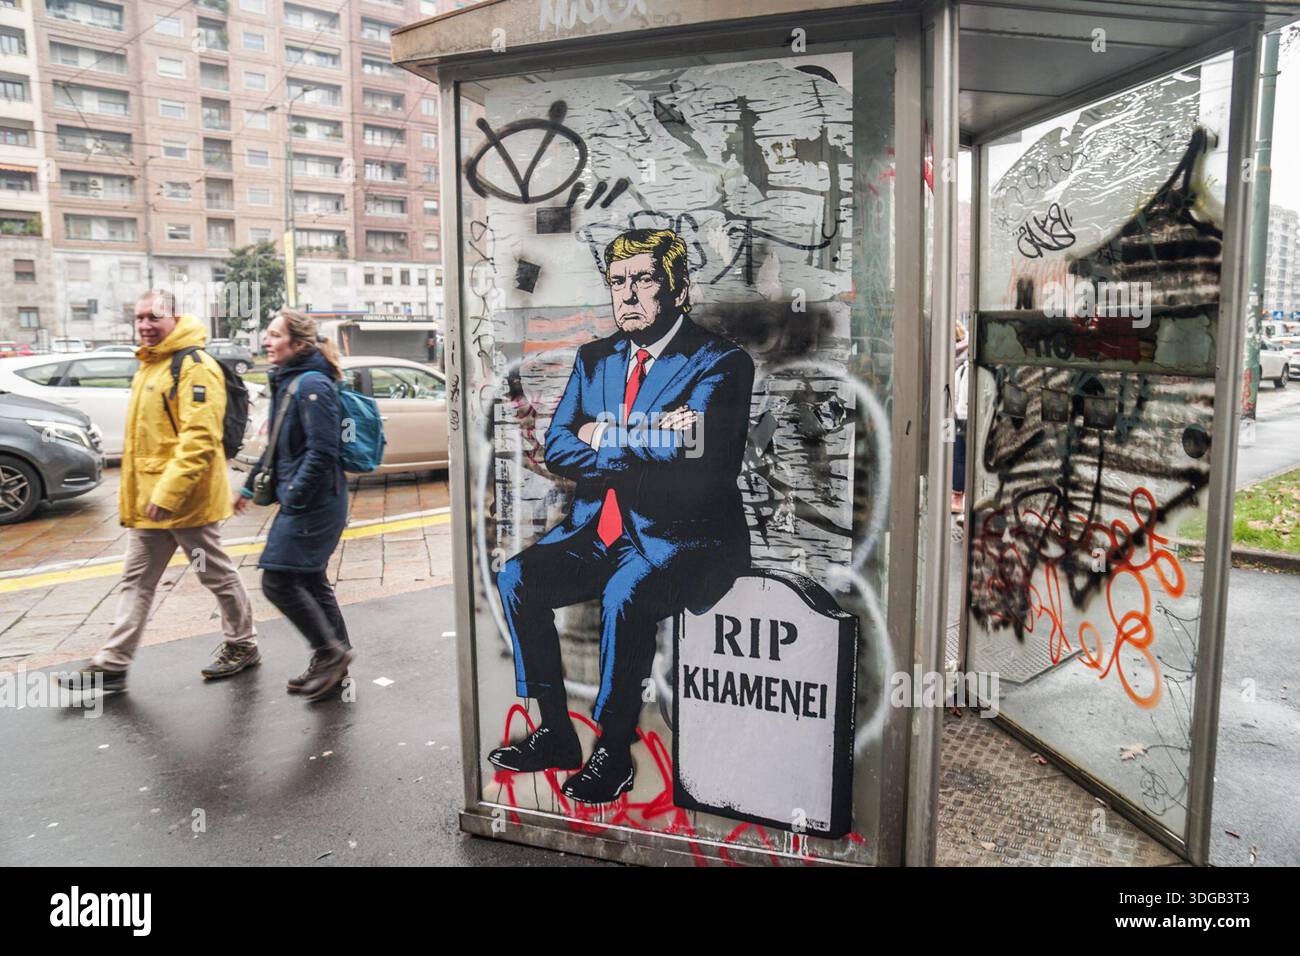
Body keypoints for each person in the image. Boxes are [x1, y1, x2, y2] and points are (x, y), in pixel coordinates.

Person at [488, 228, 755, 804]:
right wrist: (638, 435)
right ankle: (557, 732)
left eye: (644, 281)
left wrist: (601, 433)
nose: (628, 295)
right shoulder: (596, 358)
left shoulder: (721, 362)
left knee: (623, 593)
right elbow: (558, 446)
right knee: (517, 579)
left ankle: (613, 749)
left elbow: (695, 454)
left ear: (678, 288)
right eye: (618, 283)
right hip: (599, 529)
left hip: (685, 539)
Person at [60, 290, 258, 693]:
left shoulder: (194, 366)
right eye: (139, 318)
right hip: (149, 506)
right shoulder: (150, 365)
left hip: (188, 504)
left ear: (175, 317)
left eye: (154, 317)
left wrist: (167, 495)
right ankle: (113, 664)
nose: (146, 326)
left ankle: (243, 643)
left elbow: (200, 439)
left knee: (215, 575)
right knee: (136, 582)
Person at [235, 310, 352, 701]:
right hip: (308, 499)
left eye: (274, 336)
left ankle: (330, 652)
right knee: (310, 579)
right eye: (267, 335)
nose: (267, 342)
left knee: (278, 580)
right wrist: (250, 488)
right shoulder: (290, 381)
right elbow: (276, 448)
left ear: (298, 344)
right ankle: (334, 661)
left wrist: (295, 495)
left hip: (315, 504)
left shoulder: (312, 384)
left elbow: (323, 451)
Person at [952, 320, 970, 517]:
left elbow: (957, 395)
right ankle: (958, 494)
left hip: (961, 417)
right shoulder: (964, 364)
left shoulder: (962, 366)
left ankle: (957, 493)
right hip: (964, 415)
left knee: (959, 456)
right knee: (961, 457)